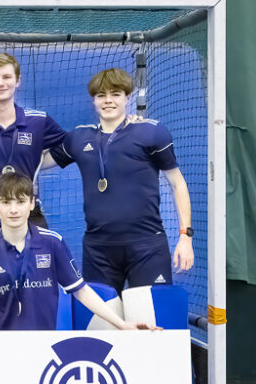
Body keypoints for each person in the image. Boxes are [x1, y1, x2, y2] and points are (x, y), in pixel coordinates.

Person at [49, 68, 194, 292]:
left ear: (127, 97)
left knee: (150, 315)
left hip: (148, 249)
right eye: (101, 95)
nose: (108, 100)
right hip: (98, 252)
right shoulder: (79, 138)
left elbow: (178, 184)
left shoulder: (151, 132)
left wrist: (185, 237)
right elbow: (37, 161)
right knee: (101, 315)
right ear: (93, 100)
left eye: (115, 94)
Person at [0, 172, 156, 331]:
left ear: (32, 203)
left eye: (20, 202)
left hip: (46, 344)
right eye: (5, 202)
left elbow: (81, 291)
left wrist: (122, 324)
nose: (13, 210)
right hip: (1, 346)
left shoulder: (52, 243)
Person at [0, 52, 67, 246]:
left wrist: (38, 162)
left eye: (7, 77)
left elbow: (72, 145)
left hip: (28, 220)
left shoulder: (39, 121)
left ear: (18, 81)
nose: (0, 83)